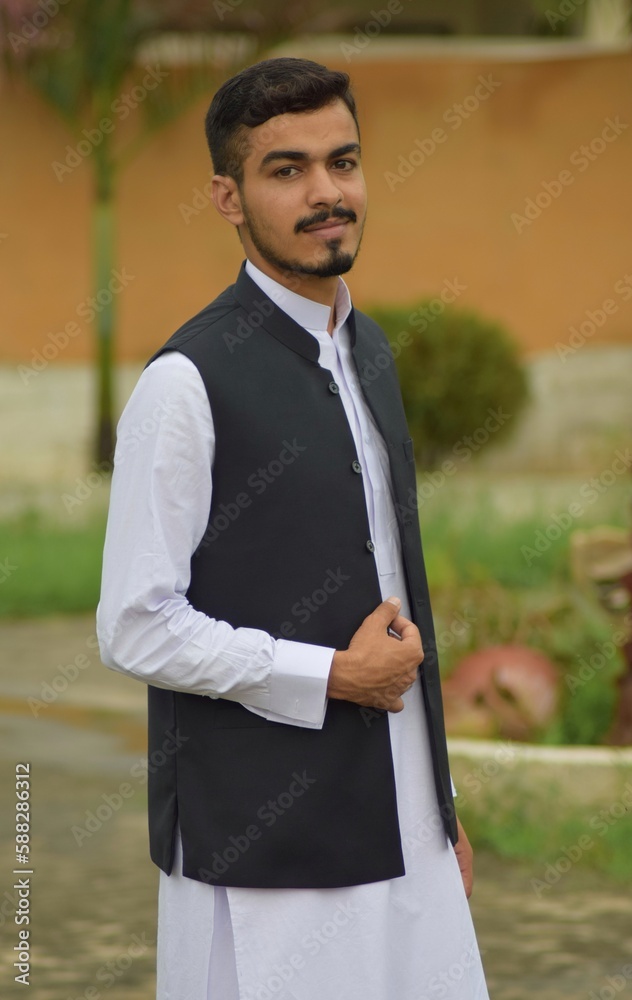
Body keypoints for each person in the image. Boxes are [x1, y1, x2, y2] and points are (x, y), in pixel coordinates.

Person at [97, 56, 489, 1000]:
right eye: (287, 170)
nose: (326, 193)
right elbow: (134, 624)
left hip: (403, 826)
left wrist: (435, 802)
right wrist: (330, 676)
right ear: (227, 198)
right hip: (263, 853)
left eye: (341, 162)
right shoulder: (185, 382)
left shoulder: (369, 349)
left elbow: (390, 588)